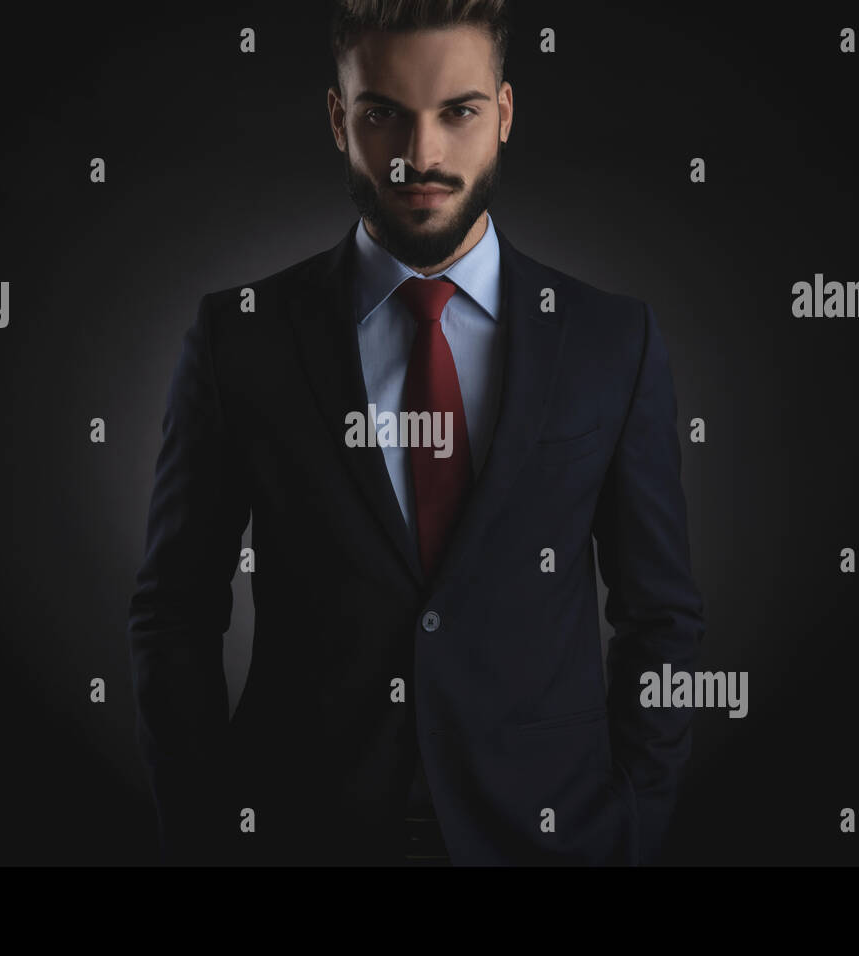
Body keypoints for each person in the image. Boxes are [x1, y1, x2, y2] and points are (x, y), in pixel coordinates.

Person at [127, 0, 705, 866]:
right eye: (383, 114)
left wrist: (634, 824)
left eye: (458, 112)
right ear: (338, 119)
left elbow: (660, 615)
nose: (421, 156)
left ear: (504, 114)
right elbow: (175, 611)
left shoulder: (611, 341)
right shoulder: (238, 336)